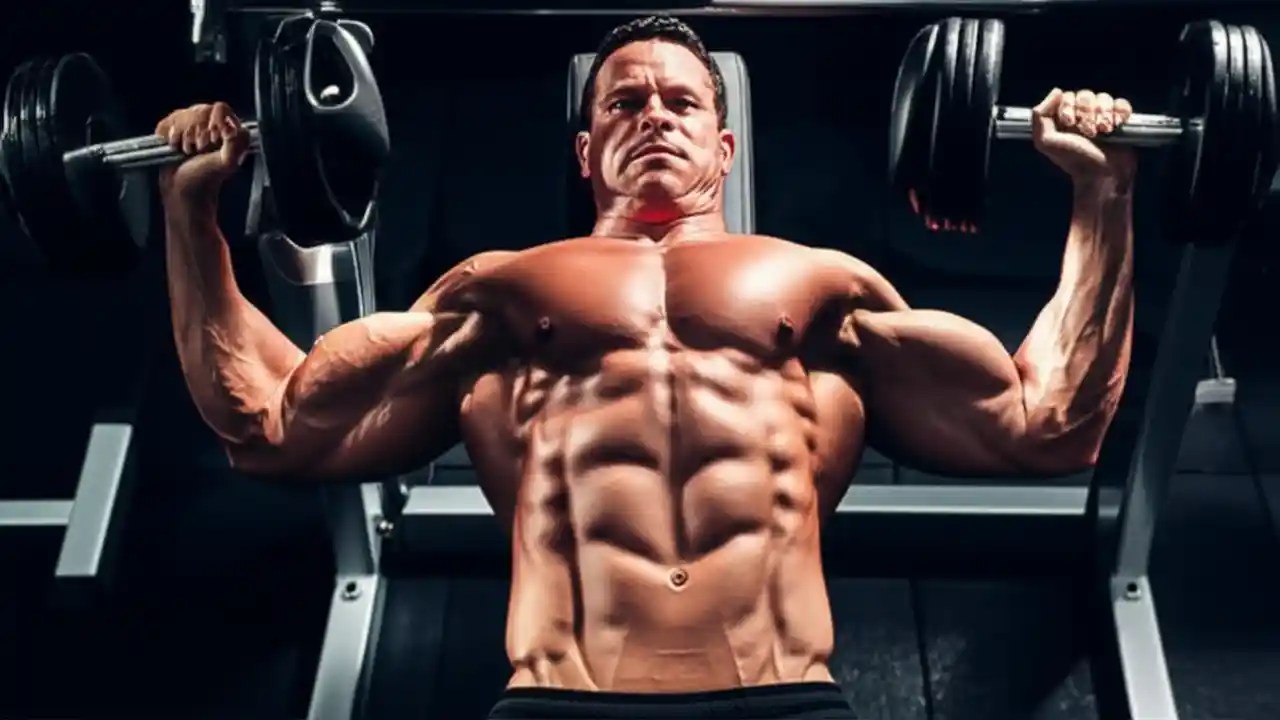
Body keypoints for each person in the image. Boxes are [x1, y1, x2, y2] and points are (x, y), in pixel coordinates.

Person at [157, 14, 1135, 720]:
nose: (653, 116)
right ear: (586, 151)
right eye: (625, 102)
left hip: (782, 698)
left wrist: (1103, 195)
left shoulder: (820, 287)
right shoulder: (497, 293)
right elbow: (271, 425)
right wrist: (190, 212)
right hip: (558, 702)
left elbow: (1051, 422)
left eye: (679, 101)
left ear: (721, 145)